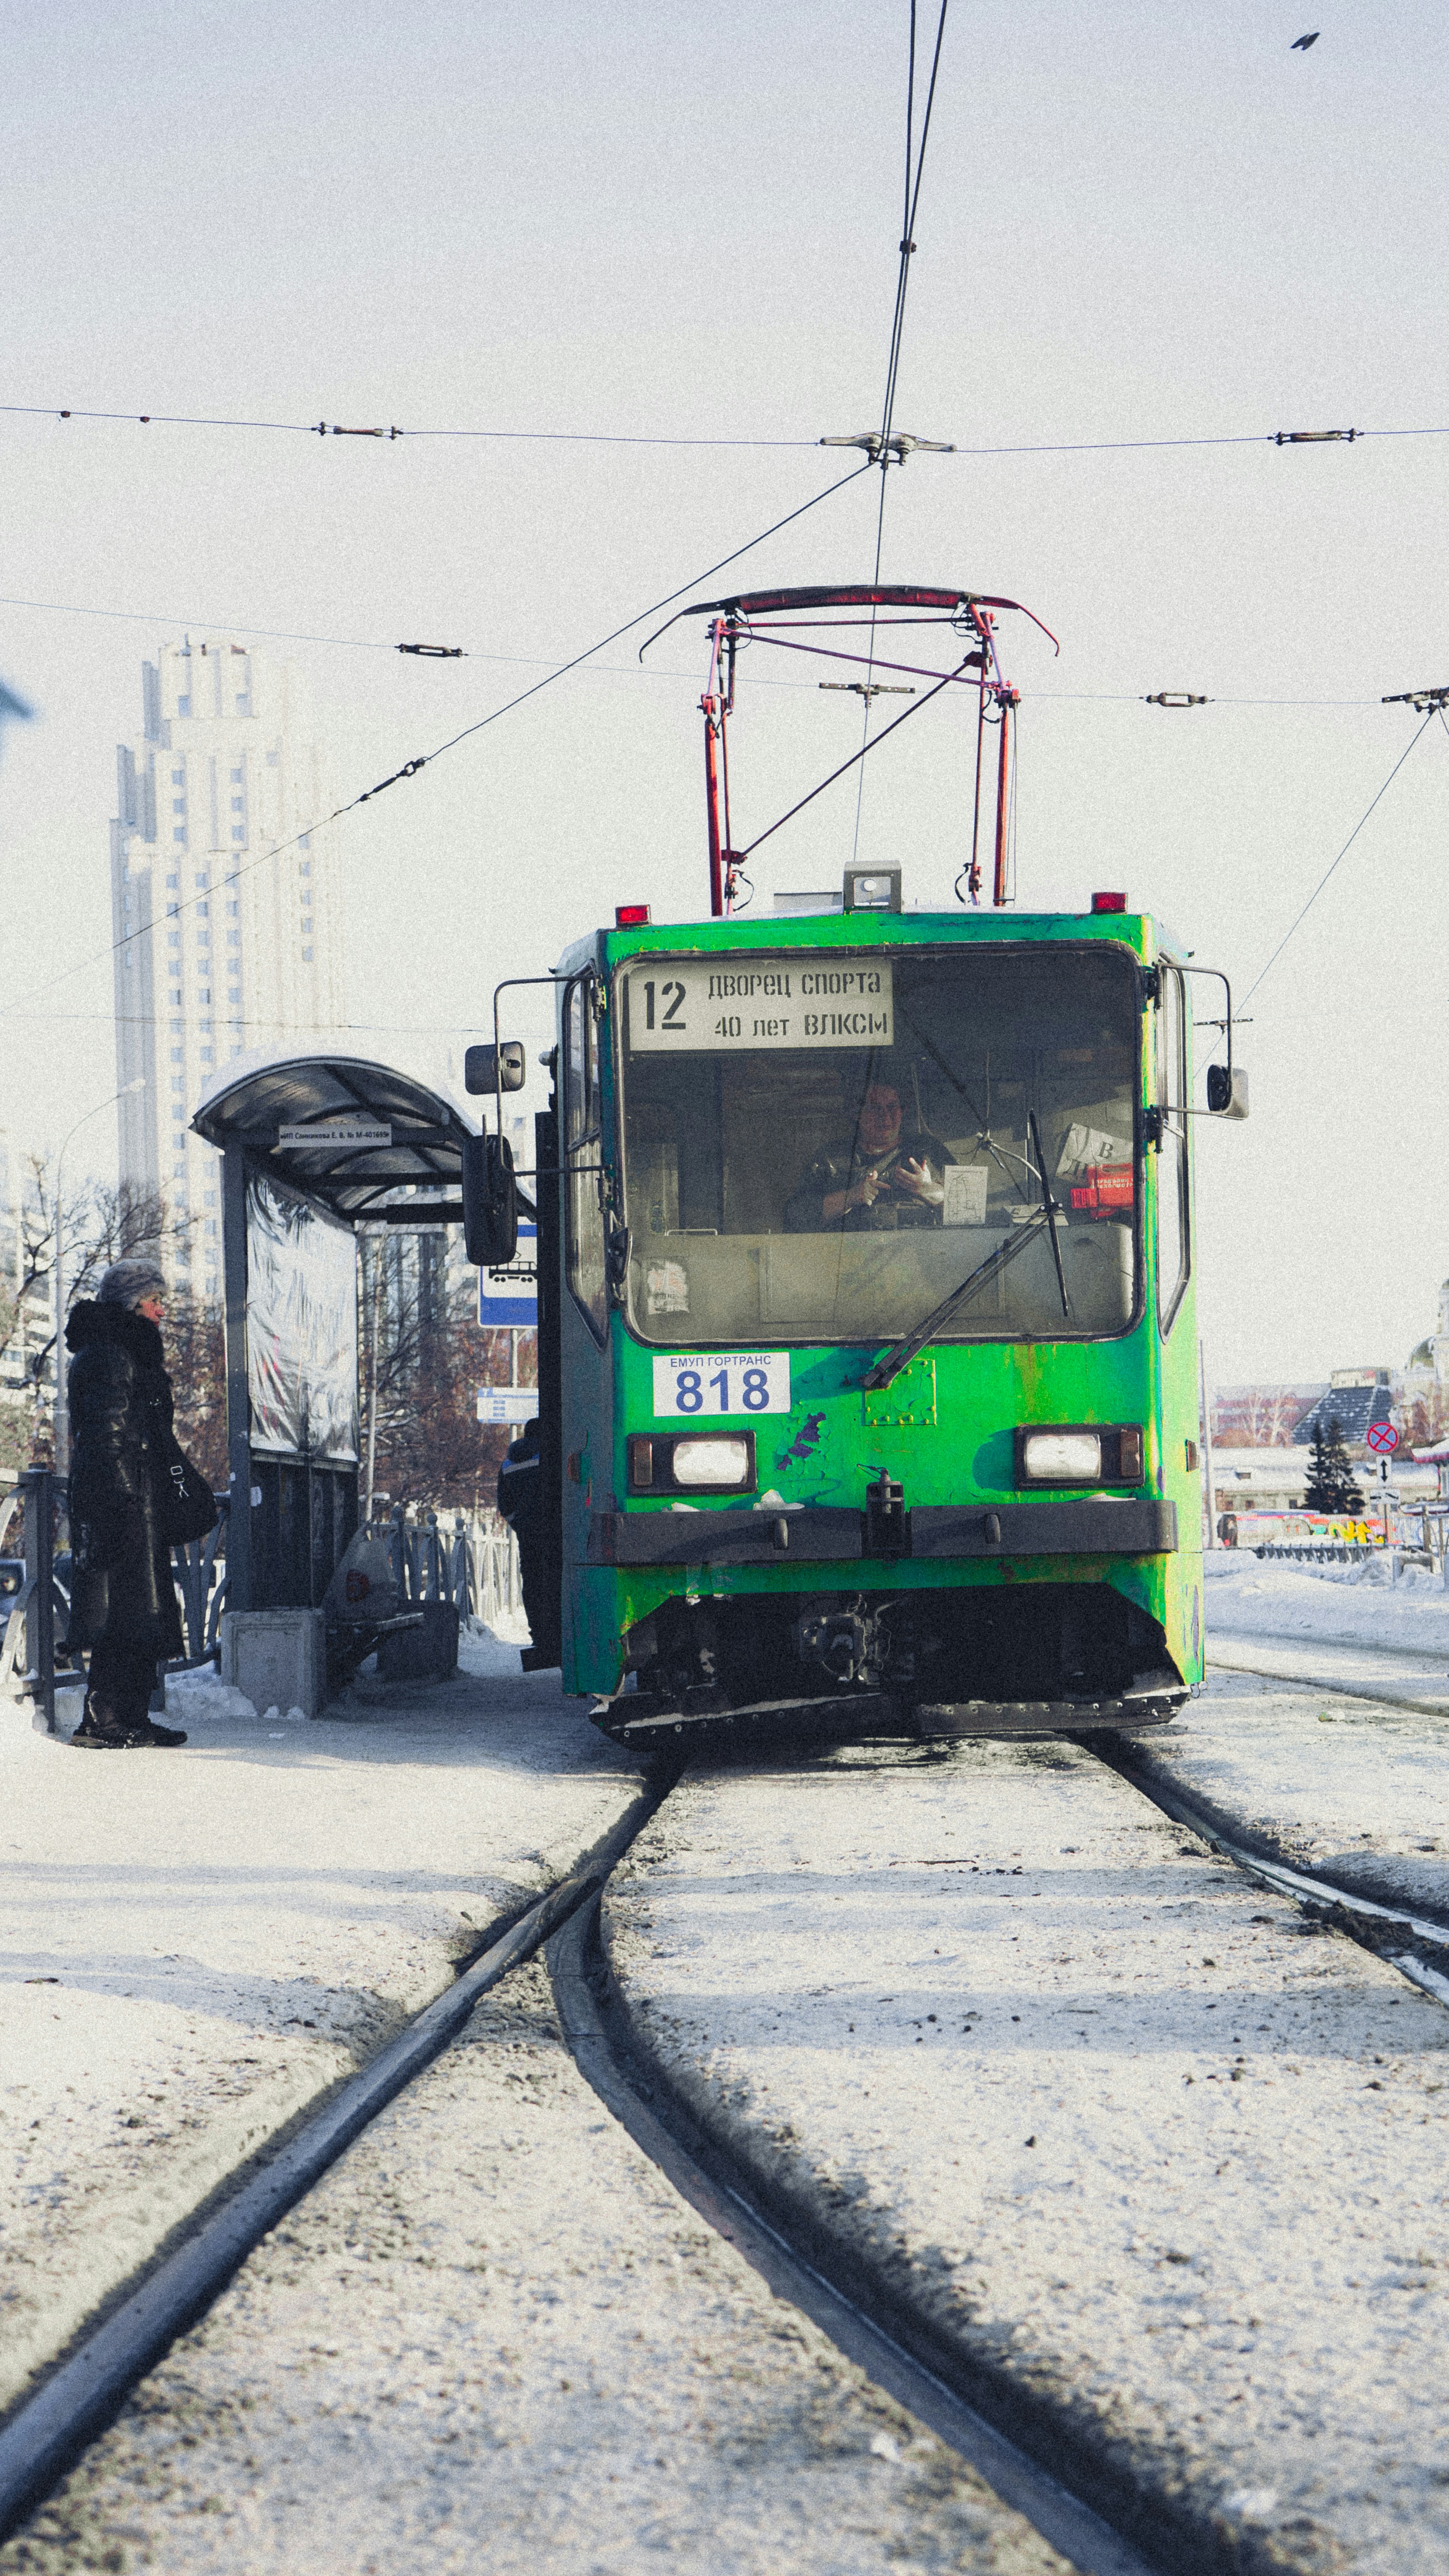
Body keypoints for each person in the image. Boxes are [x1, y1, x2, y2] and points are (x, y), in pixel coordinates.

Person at [65, 1258, 188, 1749]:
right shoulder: (111, 1354)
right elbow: (104, 1435)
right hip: (121, 1498)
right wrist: (118, 1500)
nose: (162, 1310)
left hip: (138, 1495)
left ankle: (131, 1713)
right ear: (133, 1303)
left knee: (142, 1610)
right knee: (122, 1610)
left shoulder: (128, 1351)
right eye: (156, 1300)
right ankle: (101, 1716)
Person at [784, 1081, 951, 1233]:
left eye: (893, 1107)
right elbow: (796, 1218)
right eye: (875, 1108)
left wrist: (927, 1191)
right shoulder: (832, 1157)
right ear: (857, 1113)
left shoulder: (926, 1150)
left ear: (902, 1111)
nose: (885, 1117)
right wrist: (851, 1197)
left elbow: (968, 1207)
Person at [497, 1416, 560, 1669]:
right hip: (554, 1530)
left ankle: (540, 1635)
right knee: (555, 1579)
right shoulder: (549, 1458)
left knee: (532, 1582)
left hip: (528, 1533)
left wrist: (520, 1524)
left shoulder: (508, 1464)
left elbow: (505, 1505)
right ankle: (558, 1631)